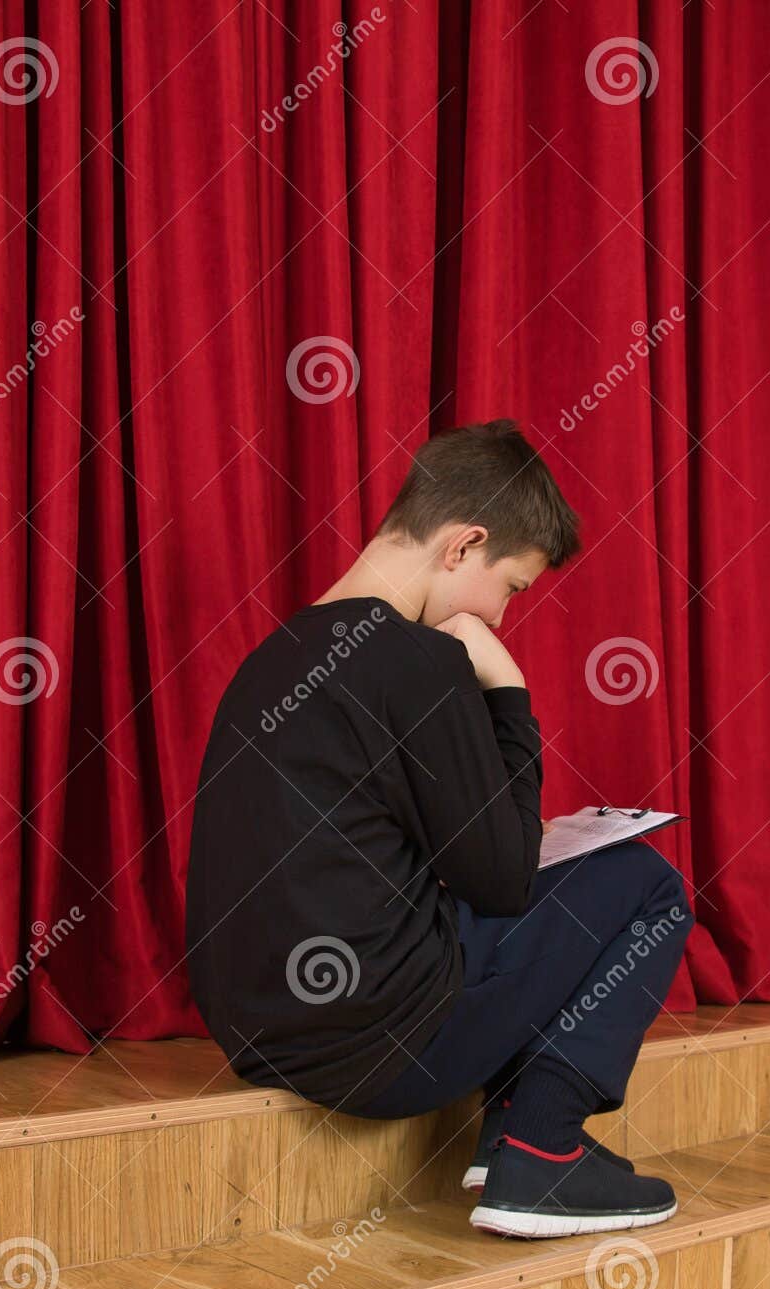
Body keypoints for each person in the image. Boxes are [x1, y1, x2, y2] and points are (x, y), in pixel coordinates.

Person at [184, 419, 694, 1239]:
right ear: (463, 546)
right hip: (373, 1054)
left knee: (541, 891)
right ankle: (542, 1152)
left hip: (260, 1037)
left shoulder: (271, 658)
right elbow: (500, 882)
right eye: (511, 588)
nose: (501, 612)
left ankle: (505, 1138)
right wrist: (507, 694)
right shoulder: (416, 661)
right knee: (646, 884)